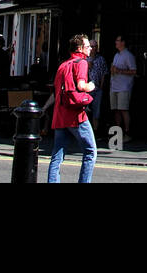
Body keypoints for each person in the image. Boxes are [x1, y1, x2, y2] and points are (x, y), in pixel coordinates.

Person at [47, 33, 97, 183]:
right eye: (88, 46)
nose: (90, 49)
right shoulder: (81, 63)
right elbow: (81, 85)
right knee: (90, 151)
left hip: (60, 115)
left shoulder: (63, 65)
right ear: (80, 48)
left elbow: (56, 92)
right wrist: (91, 85)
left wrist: (44, 108)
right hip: (76, 116)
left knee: (57, 156)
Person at [110, 35, 138, 140]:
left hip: (124, 86)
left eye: (118, 40)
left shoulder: (128, 55)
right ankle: (118, 132)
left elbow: (134, 71)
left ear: (123, 42)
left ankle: (127, 132)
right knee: (116, 109)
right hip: (114, 85)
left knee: (123, 109)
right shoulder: (117, 55)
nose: (116, 42)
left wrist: (120, 71)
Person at [87, 39, 109, 135]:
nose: (94, 48)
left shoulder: (101, 59)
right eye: (92, 46)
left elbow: (104, 72)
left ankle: (95, 131)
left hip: (98, 88)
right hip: (87, 88)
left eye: (95, 46)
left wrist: (101, 85)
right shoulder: (85, 59)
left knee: (97, 110)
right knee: (86, 110)